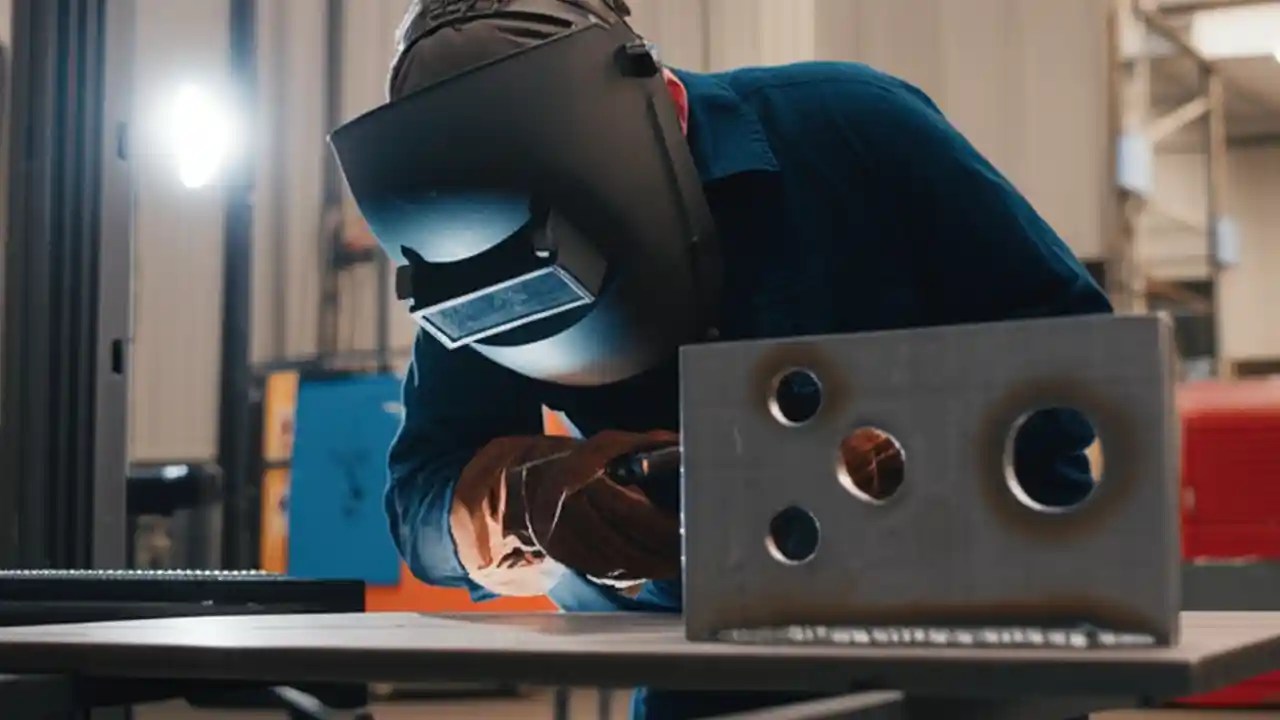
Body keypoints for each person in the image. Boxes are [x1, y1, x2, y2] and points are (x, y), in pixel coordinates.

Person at [329, 0, 1112, 717]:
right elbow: (423, 504)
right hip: (715, 671)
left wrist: (903, 453)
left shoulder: (855, 130)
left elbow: (1079, 354)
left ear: (668, 109)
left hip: (973, 645)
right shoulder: (474, 248)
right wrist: (530, 502)